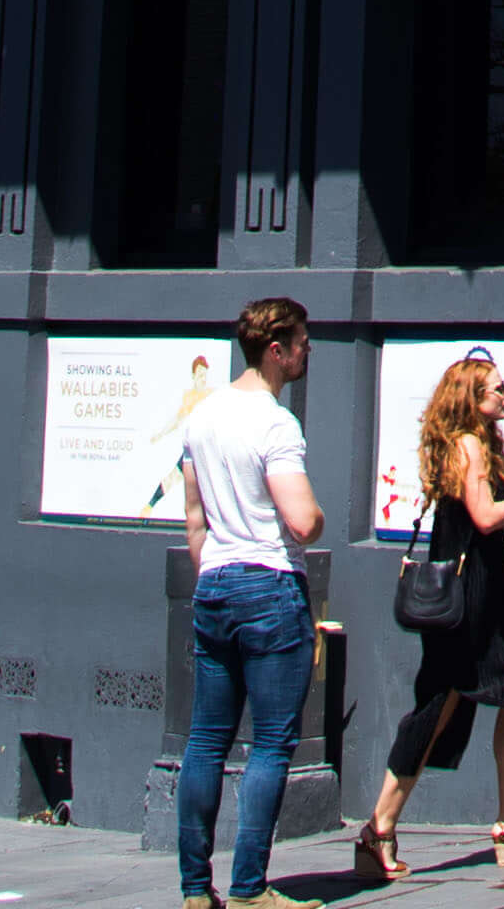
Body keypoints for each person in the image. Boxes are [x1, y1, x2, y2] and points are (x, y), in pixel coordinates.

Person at [359, 352, 504, 878]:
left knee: (445, 705)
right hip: (471, 599)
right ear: (471, 400)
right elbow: (484, 518)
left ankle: (382, 831)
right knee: (502, 696)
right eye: (497, 389)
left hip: (473, 594)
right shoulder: (471, 445)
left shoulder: (467, 444)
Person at [173, 296, 328, 909]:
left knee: (206, 740)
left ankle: (193, 889)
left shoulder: (202, 416)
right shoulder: (275, 422)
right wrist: (314, 521)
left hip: (213, 585)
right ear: (275, 350)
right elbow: (302, 518)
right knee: (270, 745)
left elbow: (193, 518)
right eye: (301, 341)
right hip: (268, 584)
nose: (307, 349)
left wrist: (214, 571)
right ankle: (248, 891)